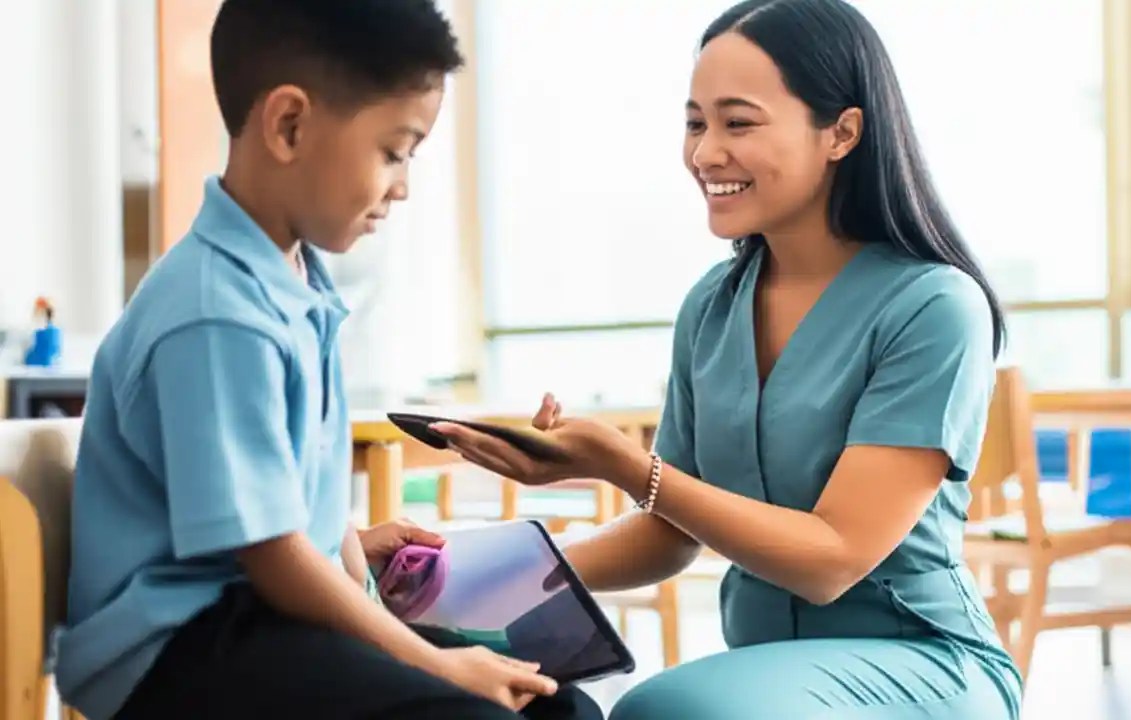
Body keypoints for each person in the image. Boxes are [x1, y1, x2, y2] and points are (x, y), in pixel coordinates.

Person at [429, 0, 1023, 718]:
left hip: (924, 662)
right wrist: (476, 591)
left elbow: (834, 558)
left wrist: (622, 464)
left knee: (671, 710)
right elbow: (670, 533)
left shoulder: (933, 305)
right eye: (695, 123)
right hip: (772, 670)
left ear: (842, 133)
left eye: (738, 123)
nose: (706, 153)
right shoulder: (711, 307)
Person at [54, 1, 600, 718]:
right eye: (394, 151)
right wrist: (435, 663)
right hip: (176, 649)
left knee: (556, 705)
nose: (402, 185)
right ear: (289, 125)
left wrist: (350, 548)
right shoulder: (214, 310)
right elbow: (272, 557)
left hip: (253, 611)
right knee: (474, 708)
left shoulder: (289, 282)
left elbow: (280, 505)